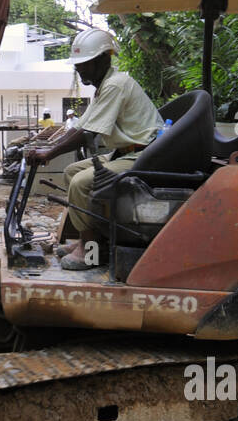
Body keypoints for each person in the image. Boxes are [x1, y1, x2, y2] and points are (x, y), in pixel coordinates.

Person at [24, 27, 157, 269]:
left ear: (104, 58)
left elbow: (89, 133)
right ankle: (89, 239)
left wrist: (49, 154)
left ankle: (91, 251)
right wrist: (48, 149)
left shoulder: (116, 85)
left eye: (85, 63)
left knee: (81, 182)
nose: (79, 68)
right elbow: (79, 128)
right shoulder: (105, 87)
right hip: (125, 152)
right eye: (78, 63)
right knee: (72, 172)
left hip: (141, 154)